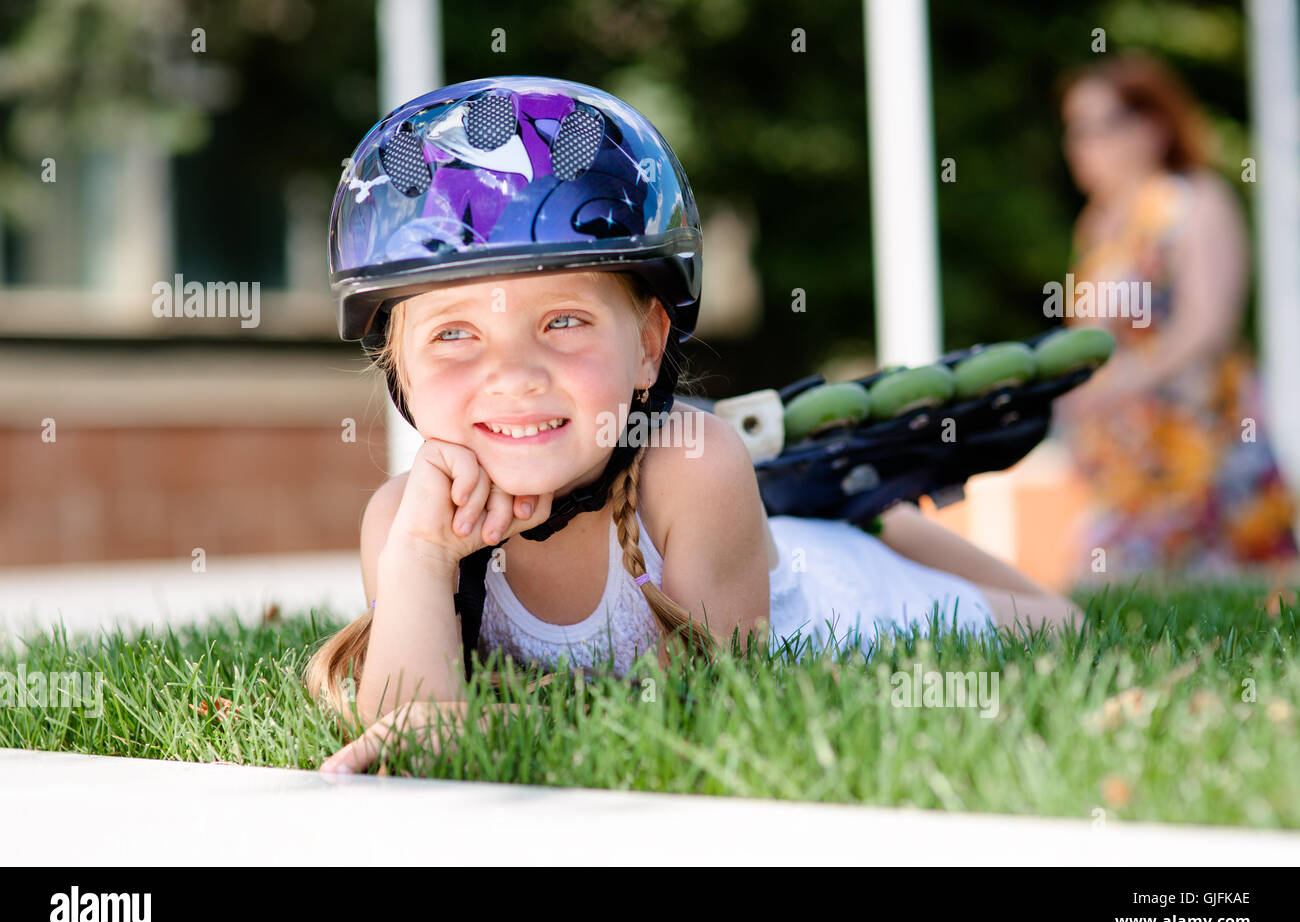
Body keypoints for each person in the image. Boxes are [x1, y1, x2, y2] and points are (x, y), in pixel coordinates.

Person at [309, 76, 1082, 774]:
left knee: (1057, 628)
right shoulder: (402, 520)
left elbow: (706, 716)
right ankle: (816, 502)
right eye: (453, 334)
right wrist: (418, 556)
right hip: (766, 536)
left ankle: (869, 516)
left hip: (844, 596)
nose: (513, 374)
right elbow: (405, 730)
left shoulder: (692, 467)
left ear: (647, 347)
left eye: (564, 321)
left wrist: (513, 724)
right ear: (399, 369)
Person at [1055, 52, 1299, 583]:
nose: (1081, 145)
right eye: (1073, 129)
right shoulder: (1099, 225)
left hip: (1199, 439)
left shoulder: (1194, 201)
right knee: (1113, 596)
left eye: (1098, 126)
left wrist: (1120, 385)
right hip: (1128, 458)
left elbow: (1208, 325)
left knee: (1235, 590)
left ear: (1152, 124)